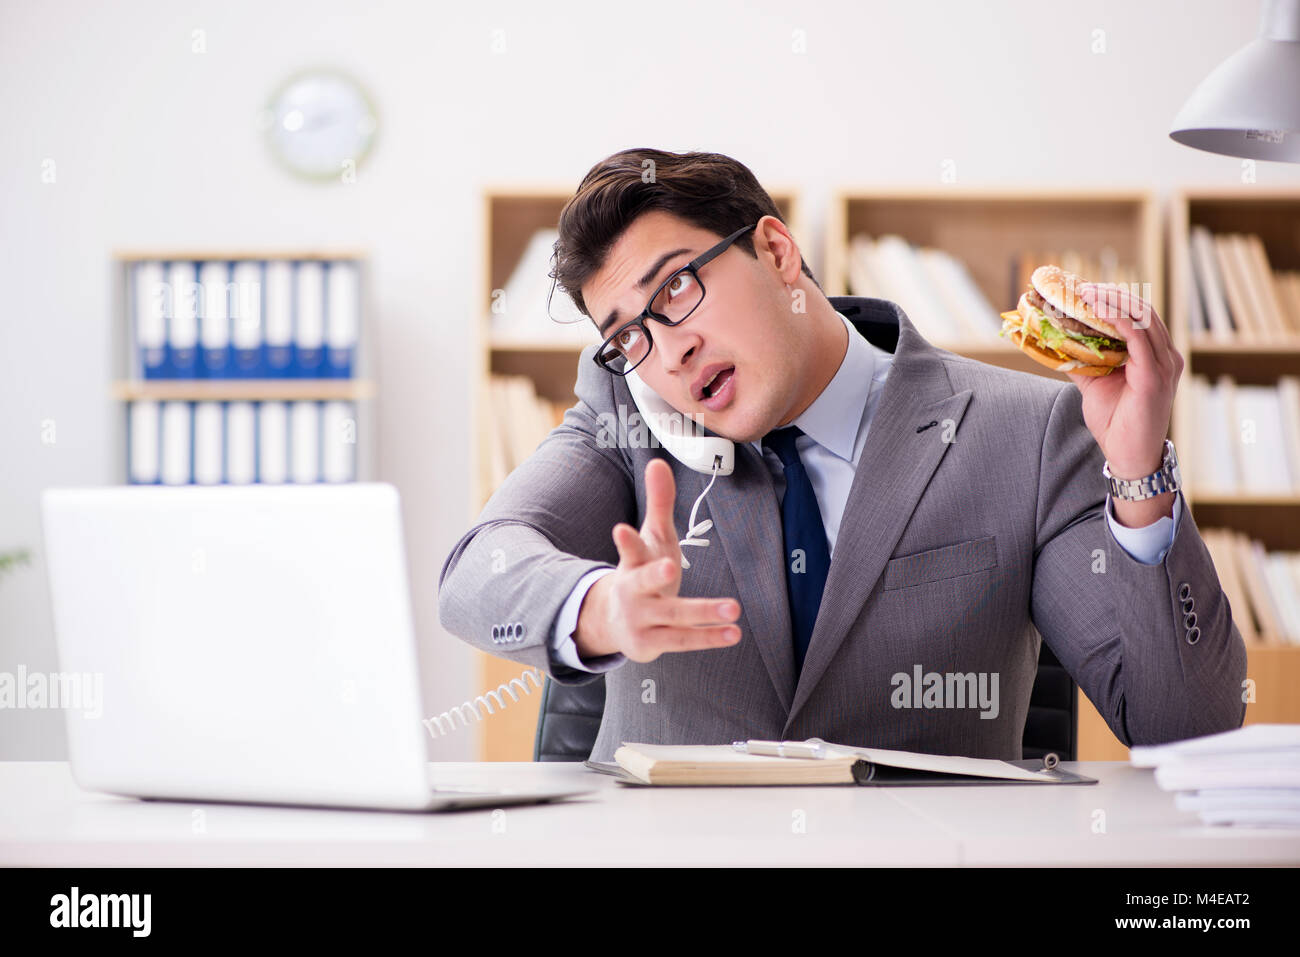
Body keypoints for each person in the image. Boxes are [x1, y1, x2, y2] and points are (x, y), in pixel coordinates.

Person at [438, 147, 1246, 764]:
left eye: (676, 287)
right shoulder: (630, 418)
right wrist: (598, 608)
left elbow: (1185, 728)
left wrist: (1138, 474)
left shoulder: (1025, 430)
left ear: (777, 251)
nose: (669, 351)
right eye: (630, 336)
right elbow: (478, 569)